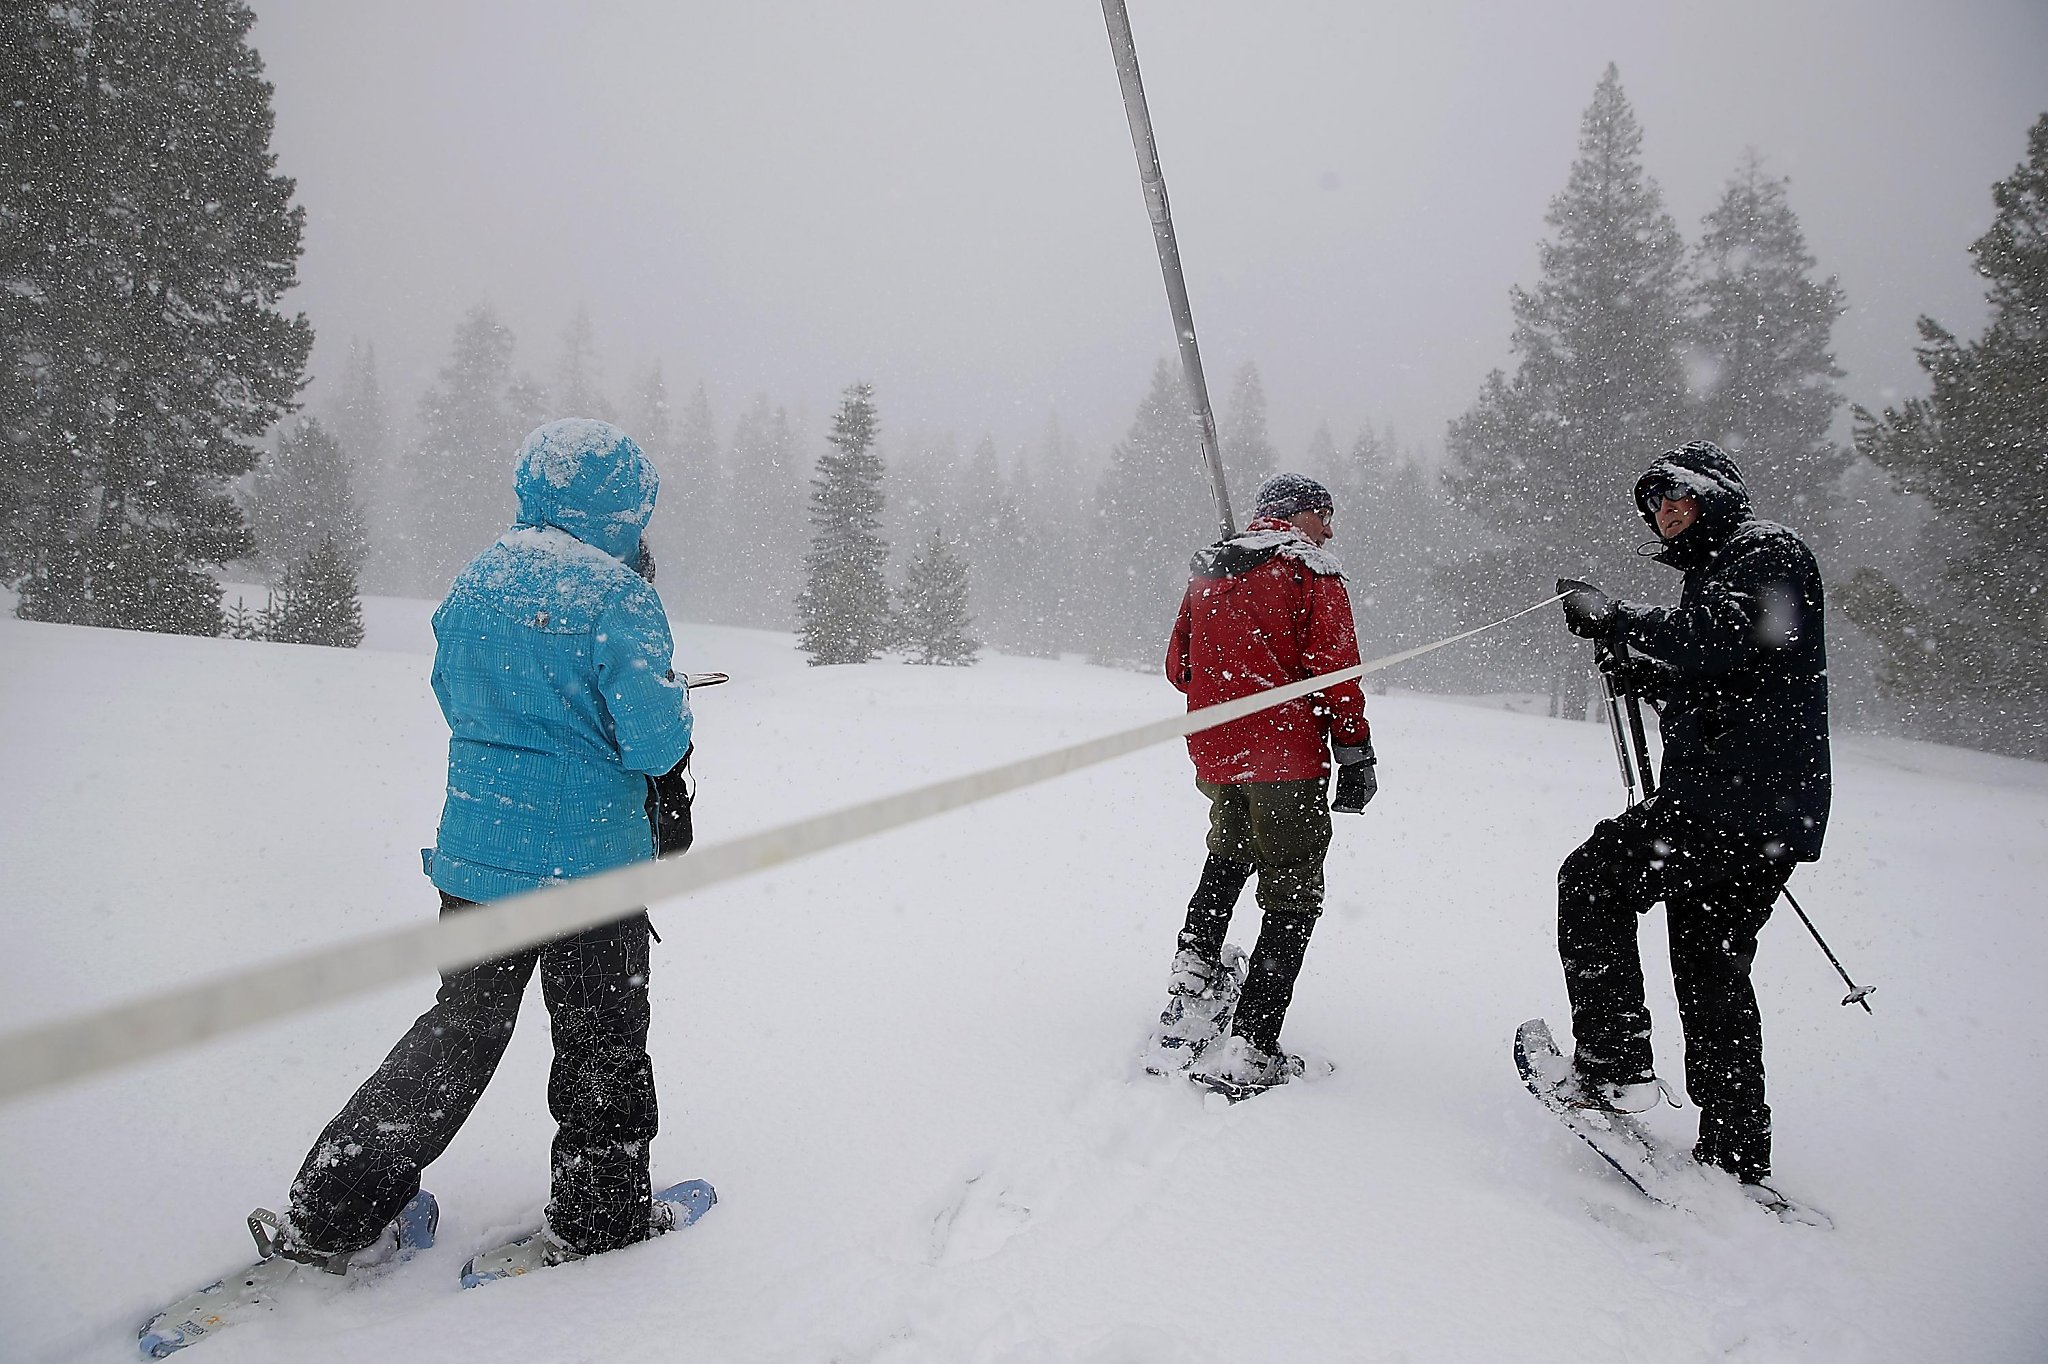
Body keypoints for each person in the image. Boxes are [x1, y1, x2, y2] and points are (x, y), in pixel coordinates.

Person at [277, 418, 698, 1270]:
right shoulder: (617, 597)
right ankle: (599, 1219)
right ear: (621, 507)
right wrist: (669, 702)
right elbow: (654, 742)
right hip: (590, 873)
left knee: (459, 1032)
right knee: (601, 1046)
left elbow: (455, 690)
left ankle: (333, 1207)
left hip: (478, 852)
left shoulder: (480, 579)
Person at [1554, 439, 1830, 1187]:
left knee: (1591, 882)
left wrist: (1619, 618)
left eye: (1677, 495)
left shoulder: (1766, 549)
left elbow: (1727, 640)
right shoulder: (1722, 565)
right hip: (1756, 805)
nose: (1664, 511)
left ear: (1715, 495)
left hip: (1735, 801)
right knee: (1710, 966)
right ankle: (1736, 1151)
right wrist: (1648, 672)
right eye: (1653, 502)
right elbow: (1732, 681)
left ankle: (1614, 1066)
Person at [1160, 472, 1377, 1093]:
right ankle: (1252, 1045)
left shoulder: (1212, 571)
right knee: (1292, 893)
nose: (1330, 529)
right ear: (1298, 515)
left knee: (1228, 856)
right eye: (1323, 514)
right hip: (1285, 761)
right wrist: (1354, 749)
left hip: (1218, 755)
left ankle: (1191, 983)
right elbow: (1336, 669)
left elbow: (1180, 668)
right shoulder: (1313, 571)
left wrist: (1233, 671)